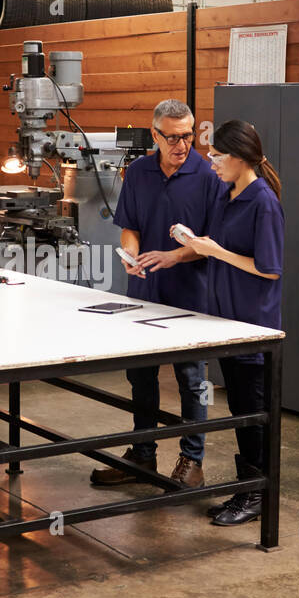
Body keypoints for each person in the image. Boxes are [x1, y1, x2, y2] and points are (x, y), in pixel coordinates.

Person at [92, 99, 223, 490]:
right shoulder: (138, 172)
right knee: (141, 375)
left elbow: (212, 242)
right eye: (173, 137)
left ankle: (192, 460)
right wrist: (130, 255)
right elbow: (129, 225)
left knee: (191, 377)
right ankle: (143, 453)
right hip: (144, 290)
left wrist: (174, 256)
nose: (182, 145)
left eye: (187, 136)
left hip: (191, 294)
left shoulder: (208, 176)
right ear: (155, 135)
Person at [181, 120, 284, 526]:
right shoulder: (229, 195)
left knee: (253, 413)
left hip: (253, 325)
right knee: (242, 410)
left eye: (218, 157)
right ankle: (247, 490)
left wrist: (215, 250)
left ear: (239, 158)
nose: (212, 164)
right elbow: (220, 248)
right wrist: (196, 244)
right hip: (228, 323)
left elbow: (270, 269)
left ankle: (256, 495)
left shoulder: (263, 202)